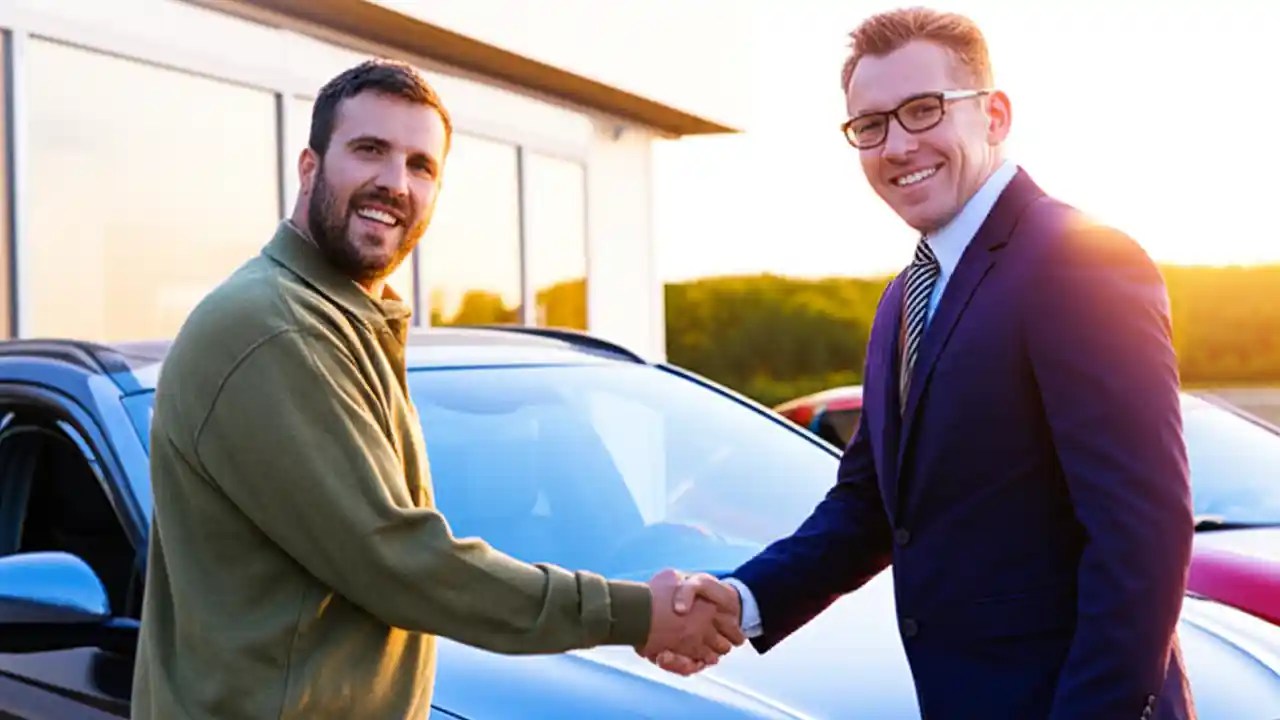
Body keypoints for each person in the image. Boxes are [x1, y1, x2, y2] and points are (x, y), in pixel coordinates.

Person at [129, 58, 742, 719]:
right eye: (370, 150)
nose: (395, 183)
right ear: (309, 168)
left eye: (422, 165)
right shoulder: (273, 328)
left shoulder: (342, 319)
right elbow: (398, 560)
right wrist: (632, 613)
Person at [653, 7, 1195, 719]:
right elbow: (870, 505)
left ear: (994, 115)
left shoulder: (1080, 261)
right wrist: (745, 598)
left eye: (922, 111)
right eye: (870, 126)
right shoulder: (905, 296)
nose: (897, 146)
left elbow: (1141, 534)